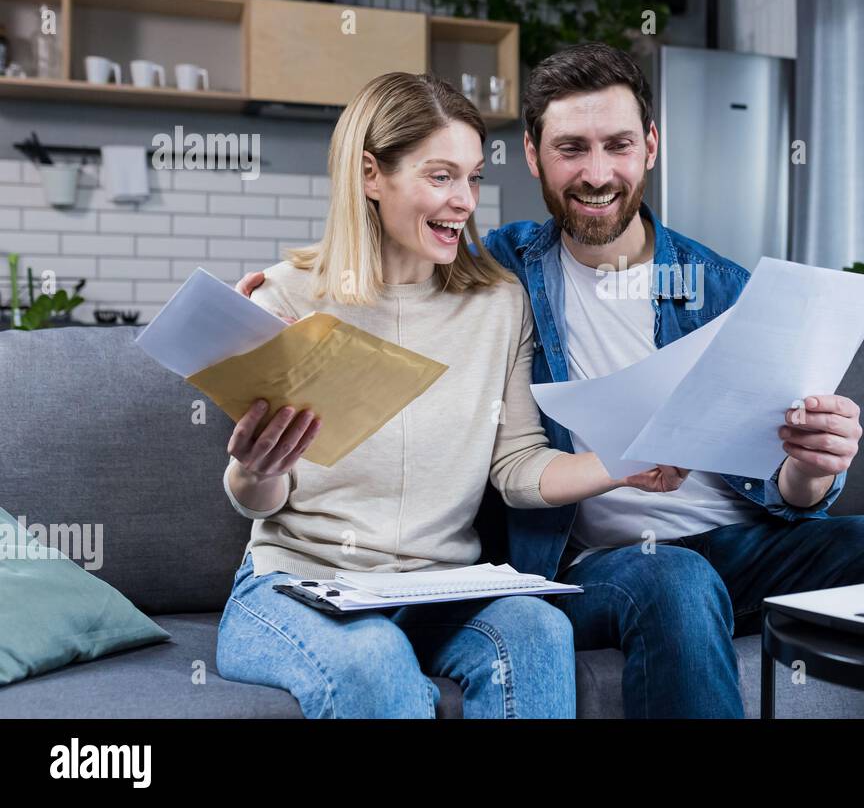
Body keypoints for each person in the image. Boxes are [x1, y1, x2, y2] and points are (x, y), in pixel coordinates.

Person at [237, 48, 864, 719]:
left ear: (650, 148)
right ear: (533, 157)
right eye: (571, 149)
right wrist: (274, 304)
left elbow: (791, 498)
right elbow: (379, 267)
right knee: (677, 576)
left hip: (750, 546)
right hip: (616, 564)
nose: (597, 173)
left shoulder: (722, 287)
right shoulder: (504, 274)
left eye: (618, 145)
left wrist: (811, 467)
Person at [215, 70, 689, 719]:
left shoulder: (497, 304)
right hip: (298, 586)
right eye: (441, 176)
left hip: (440, 592)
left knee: (538, 628)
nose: (464, 200)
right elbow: (257, 494)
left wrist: (626, 462)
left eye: (472, 178)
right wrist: (254, 469)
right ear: (369, 175)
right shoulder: (285, 300)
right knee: (372, 655)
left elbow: (518, 464)